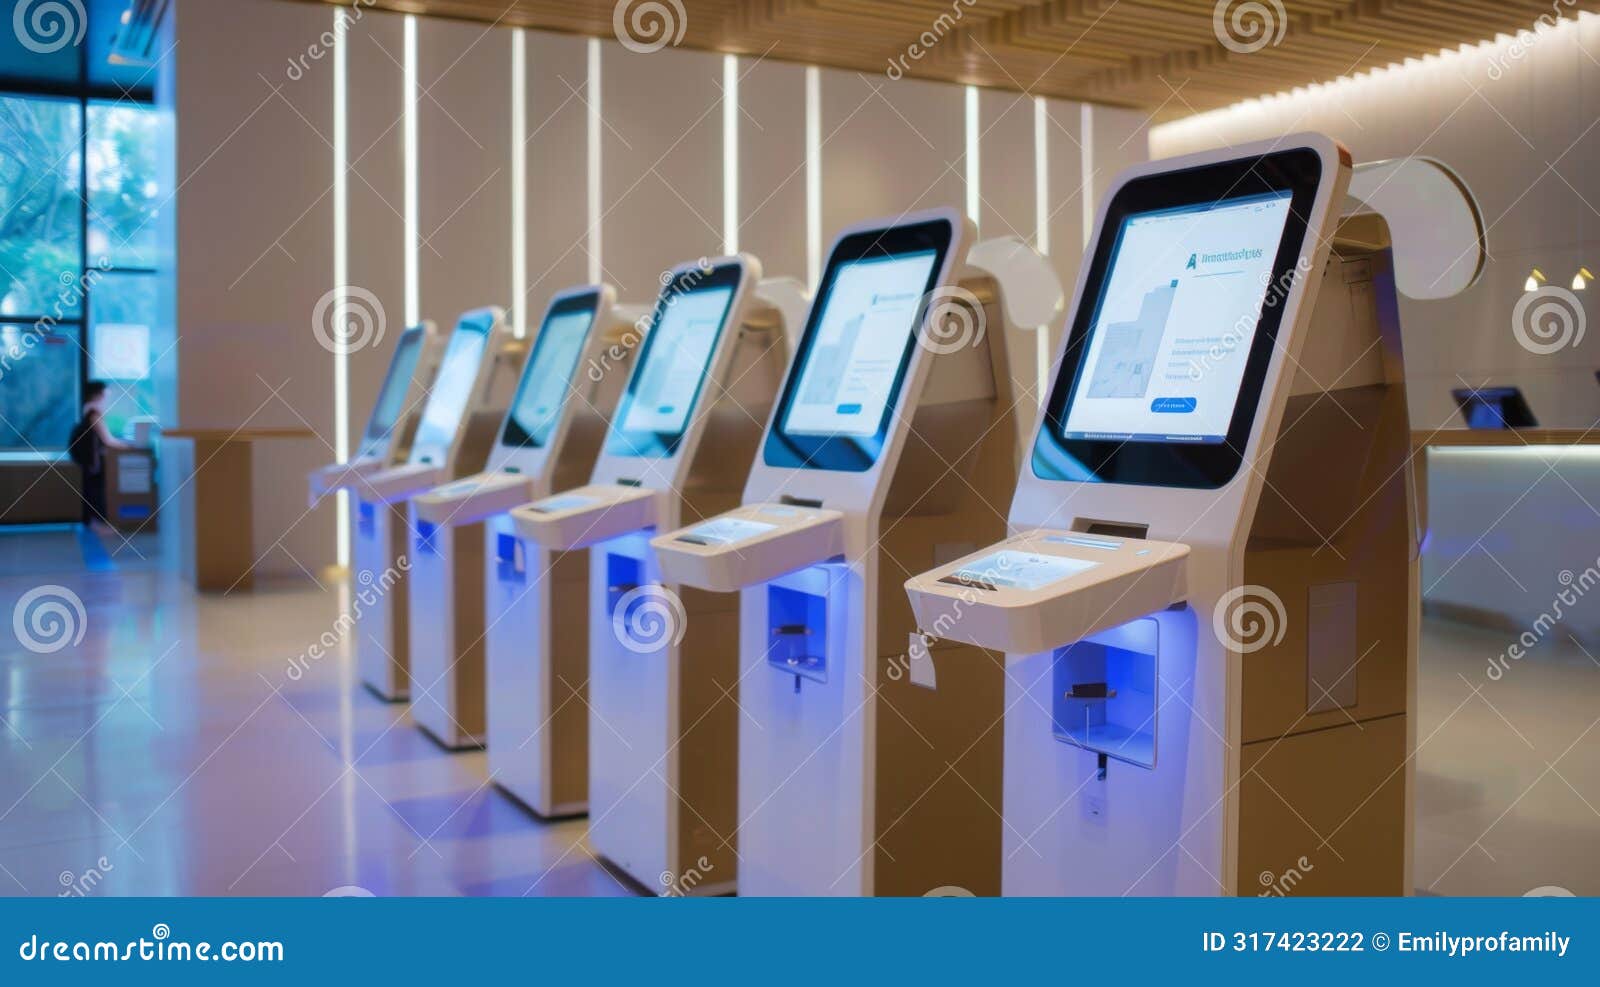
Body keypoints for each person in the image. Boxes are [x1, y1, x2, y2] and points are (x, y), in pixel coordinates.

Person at [68, 381, 130, 533]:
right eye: (105, 394)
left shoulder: (87, 411)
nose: (107, 398)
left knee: (91, 487)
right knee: (95, 489)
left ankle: (93, 521)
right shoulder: (94, 413)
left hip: (87, 458)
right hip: (92, 459)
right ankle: (96, 522)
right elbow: (107, 439)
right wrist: (129, 446)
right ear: (97, 395)